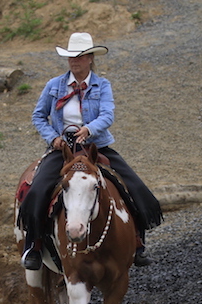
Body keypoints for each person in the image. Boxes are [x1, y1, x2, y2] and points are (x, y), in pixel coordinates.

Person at [17, 32, 163, 271]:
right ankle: (34, 245)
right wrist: (53, 138)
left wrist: (88, 129)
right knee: (39, 189)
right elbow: (38, 116)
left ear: (90, 59)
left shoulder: (102, 85)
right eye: (71, 57)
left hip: (97, 147)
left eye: (81, 57)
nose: (75, 61)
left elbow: (107, 115)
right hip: (63, 150)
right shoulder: (54, 86)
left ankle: (137, 244)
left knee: (133, 187)